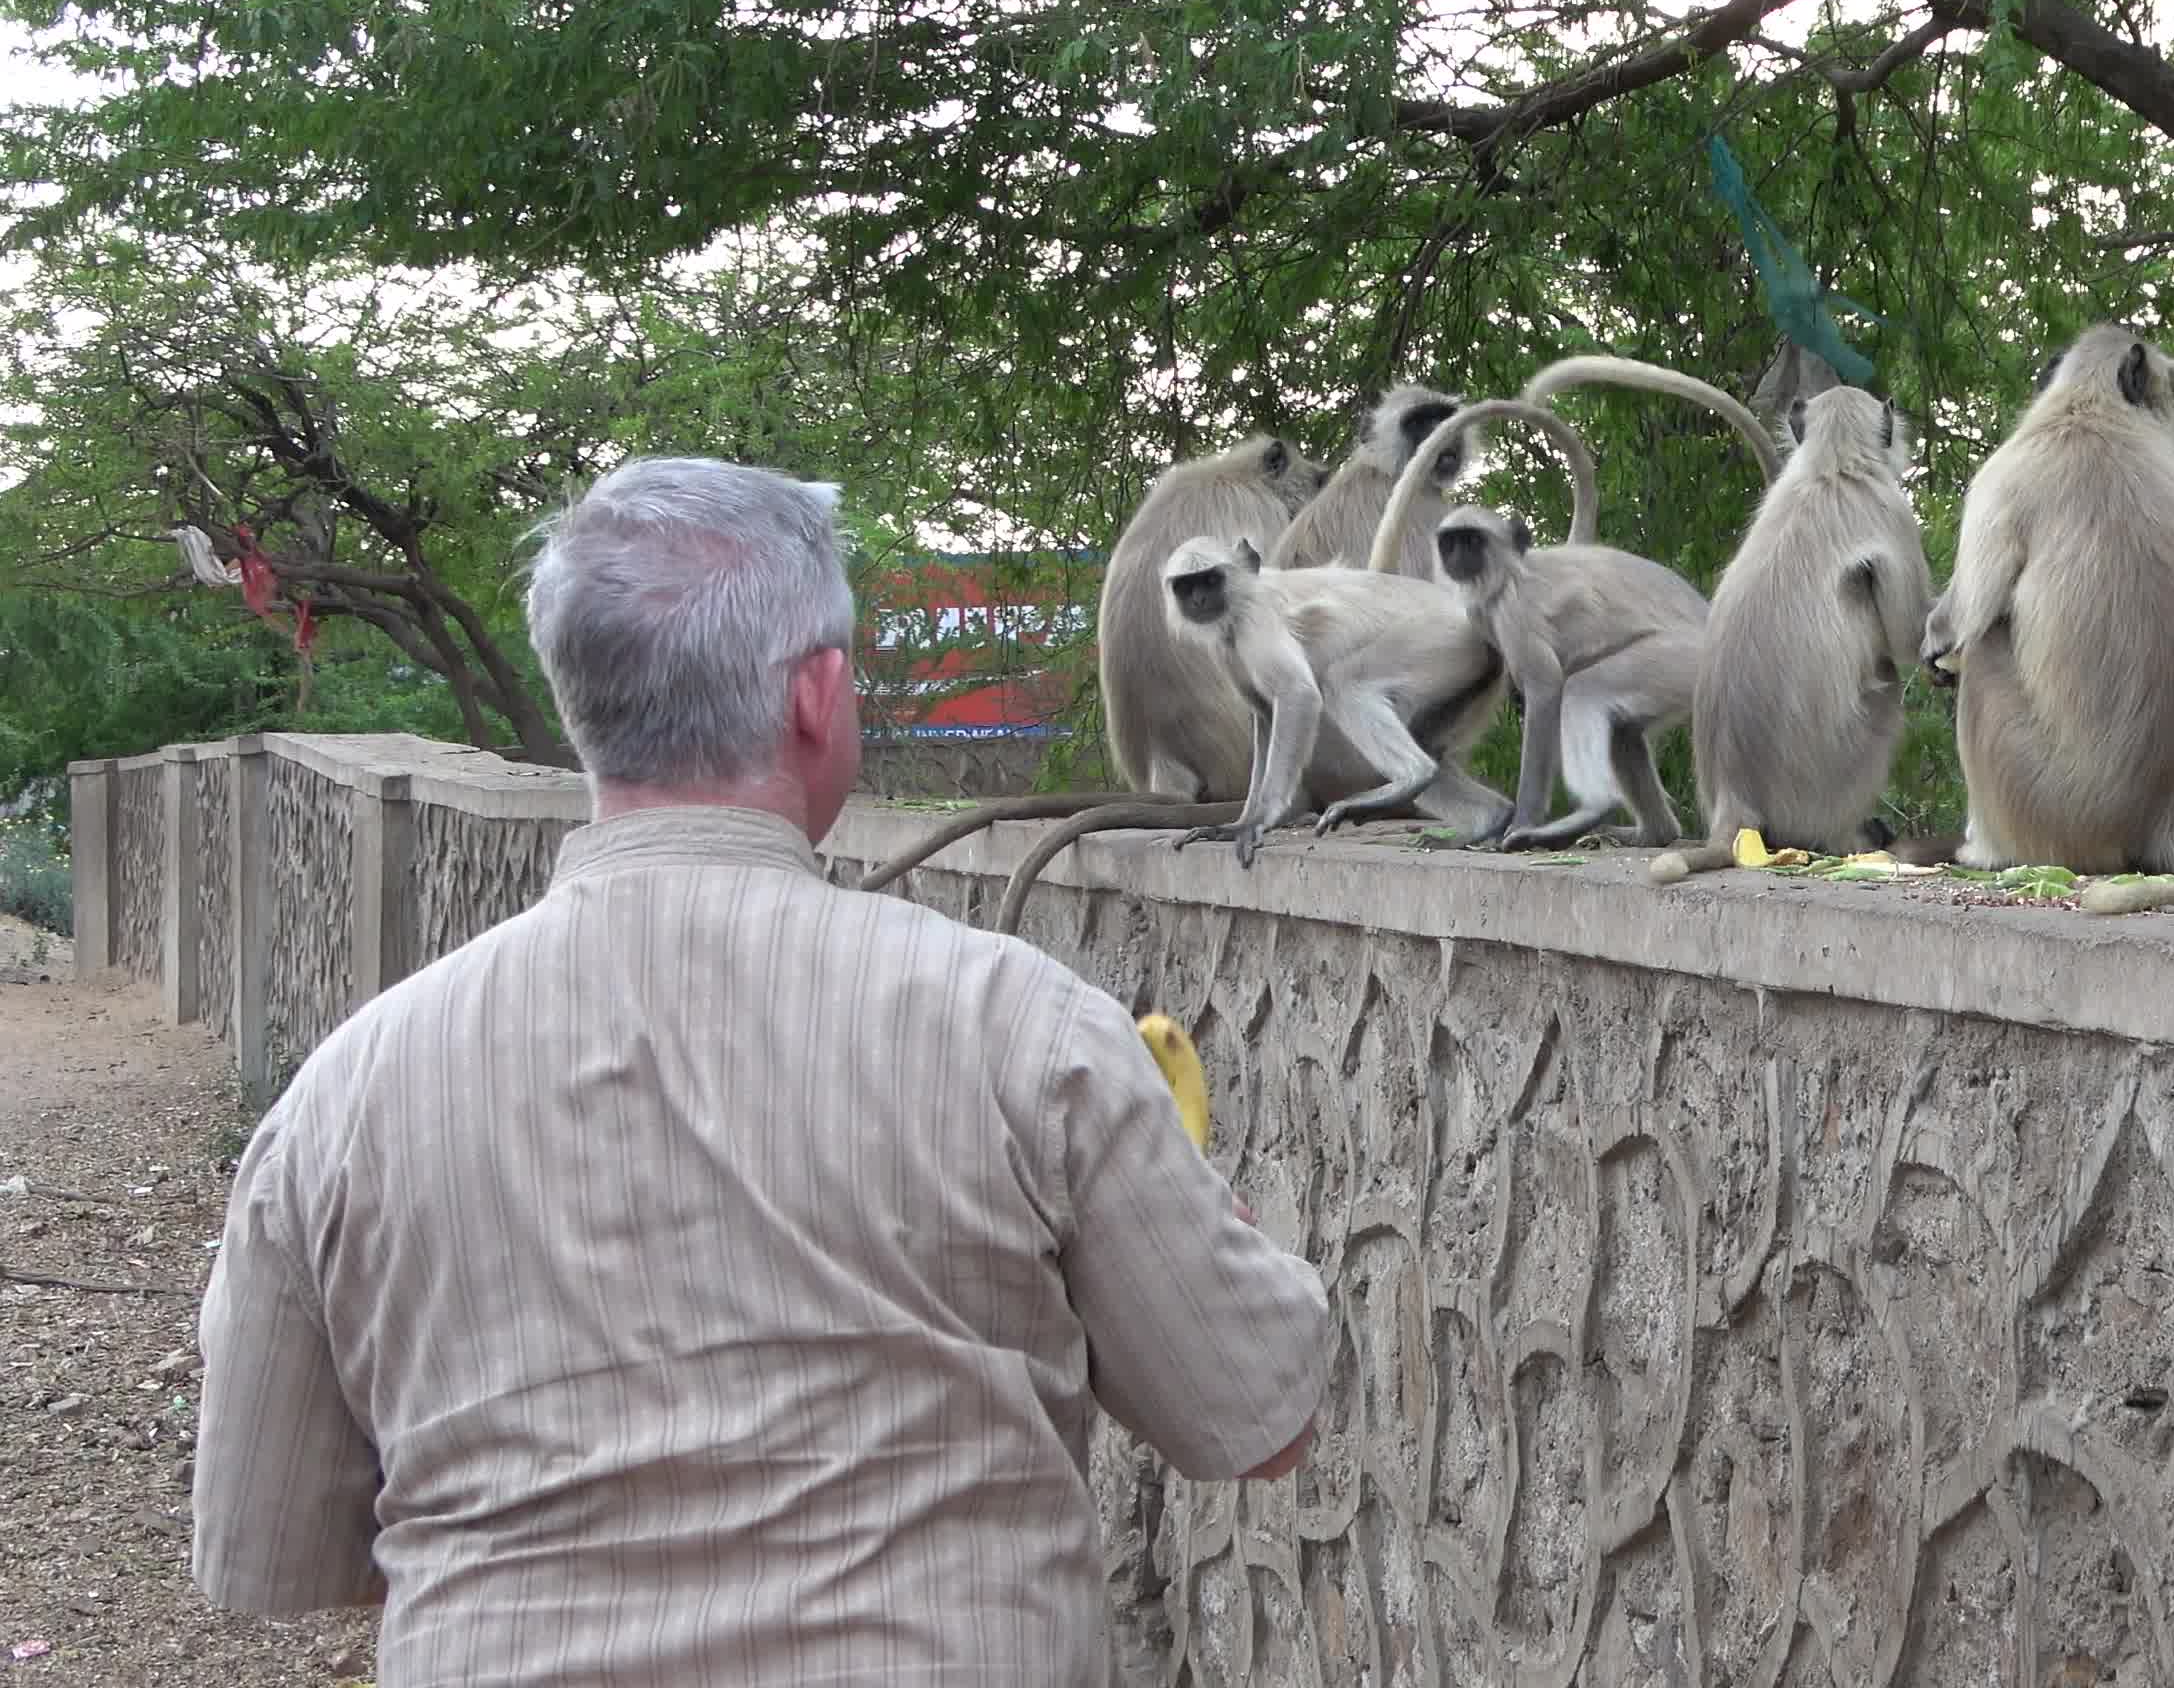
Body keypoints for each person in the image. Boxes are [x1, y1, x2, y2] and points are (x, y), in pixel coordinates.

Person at [188, 457, 1335, 1686]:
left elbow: (276, 1547)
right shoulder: (1025, 1031)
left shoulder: (342, 1101)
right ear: (817, 695)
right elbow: (1258, 1416)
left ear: (581, 704)